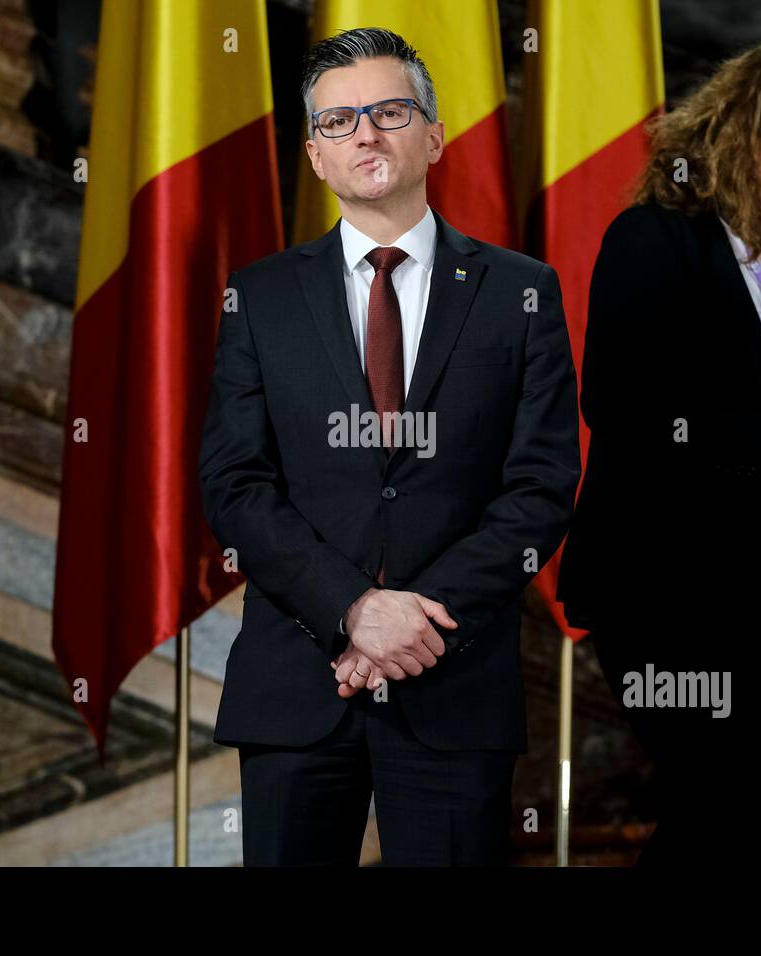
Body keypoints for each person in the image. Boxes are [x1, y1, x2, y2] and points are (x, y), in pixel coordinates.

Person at [198, 27, 580, 866]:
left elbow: (542, 485)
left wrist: (417, 620)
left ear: (435, 134)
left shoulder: (521, 291)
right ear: (314, 154)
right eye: (339, 122)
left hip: (455, 682)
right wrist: (356, 611)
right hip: (297, 687)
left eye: (389, 111)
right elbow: (235, 483)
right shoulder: (259, 297)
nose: (365, 133)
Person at [556, 33, 761, 866]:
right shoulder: (654, 240)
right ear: (747, 129)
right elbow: (622, 406)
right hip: (677, 595)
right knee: (717, 818)